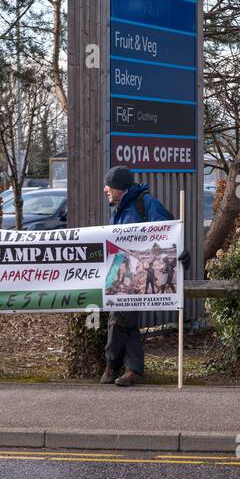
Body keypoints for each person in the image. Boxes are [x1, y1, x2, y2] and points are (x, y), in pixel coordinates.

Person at [100, 166, 172, 388]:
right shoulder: (118, 208)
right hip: (121, 272)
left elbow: (167, 229)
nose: (105, 190)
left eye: (109, 186)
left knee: (120, 318)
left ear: (120, 188)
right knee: (123, 319)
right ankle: (128, 368)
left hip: (139, 271)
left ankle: (117, 366)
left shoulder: (145, 203)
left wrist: (179, 252)